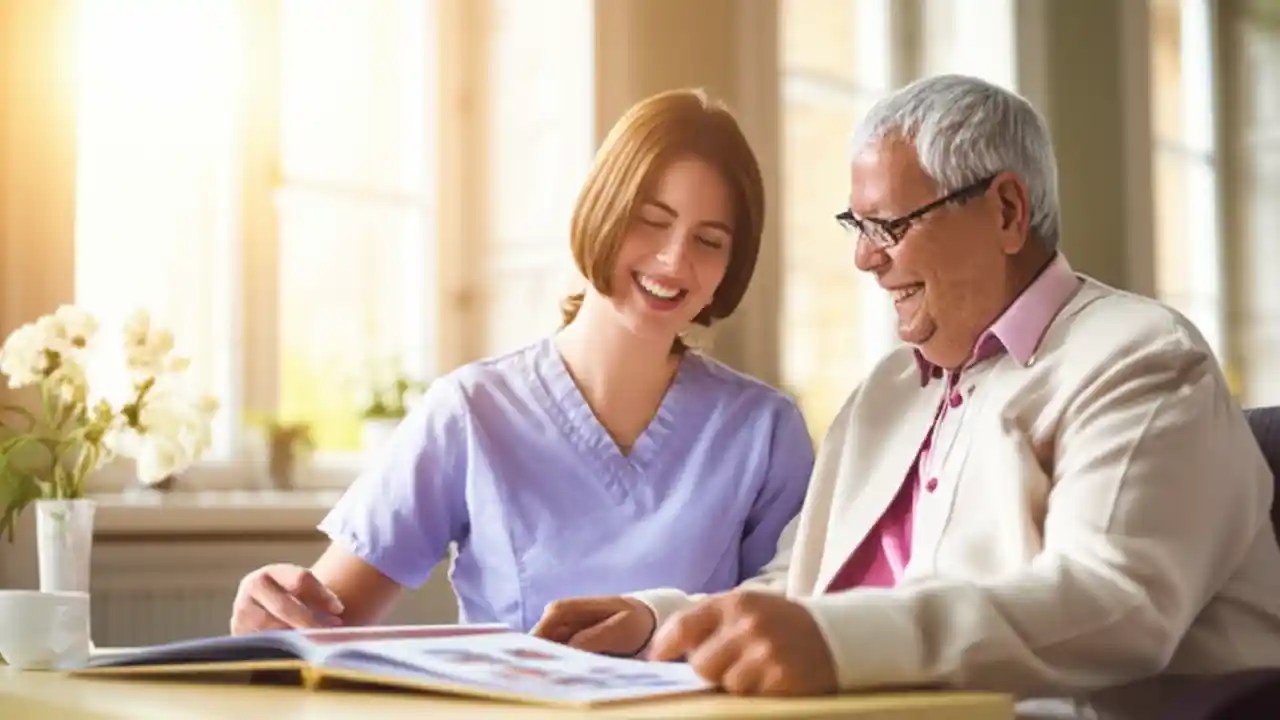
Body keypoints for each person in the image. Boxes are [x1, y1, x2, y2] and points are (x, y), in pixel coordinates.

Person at [532, 75, 1280, 719]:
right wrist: (659, 621)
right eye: (859, 226)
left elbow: (1112, 604)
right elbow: (804, 589)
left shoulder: (1138, 359)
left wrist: (836, 643)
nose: (864, 258)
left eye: (889, 224)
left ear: (1007, 213)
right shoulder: (887, 392)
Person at [229, 89, 814, 636]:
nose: (672, 259)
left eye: (708, 241)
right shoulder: (471, 411)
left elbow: (788, 619)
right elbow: (320, 622)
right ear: (602, 209)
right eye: (652, 220)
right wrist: (271, 610)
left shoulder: (764, 431)